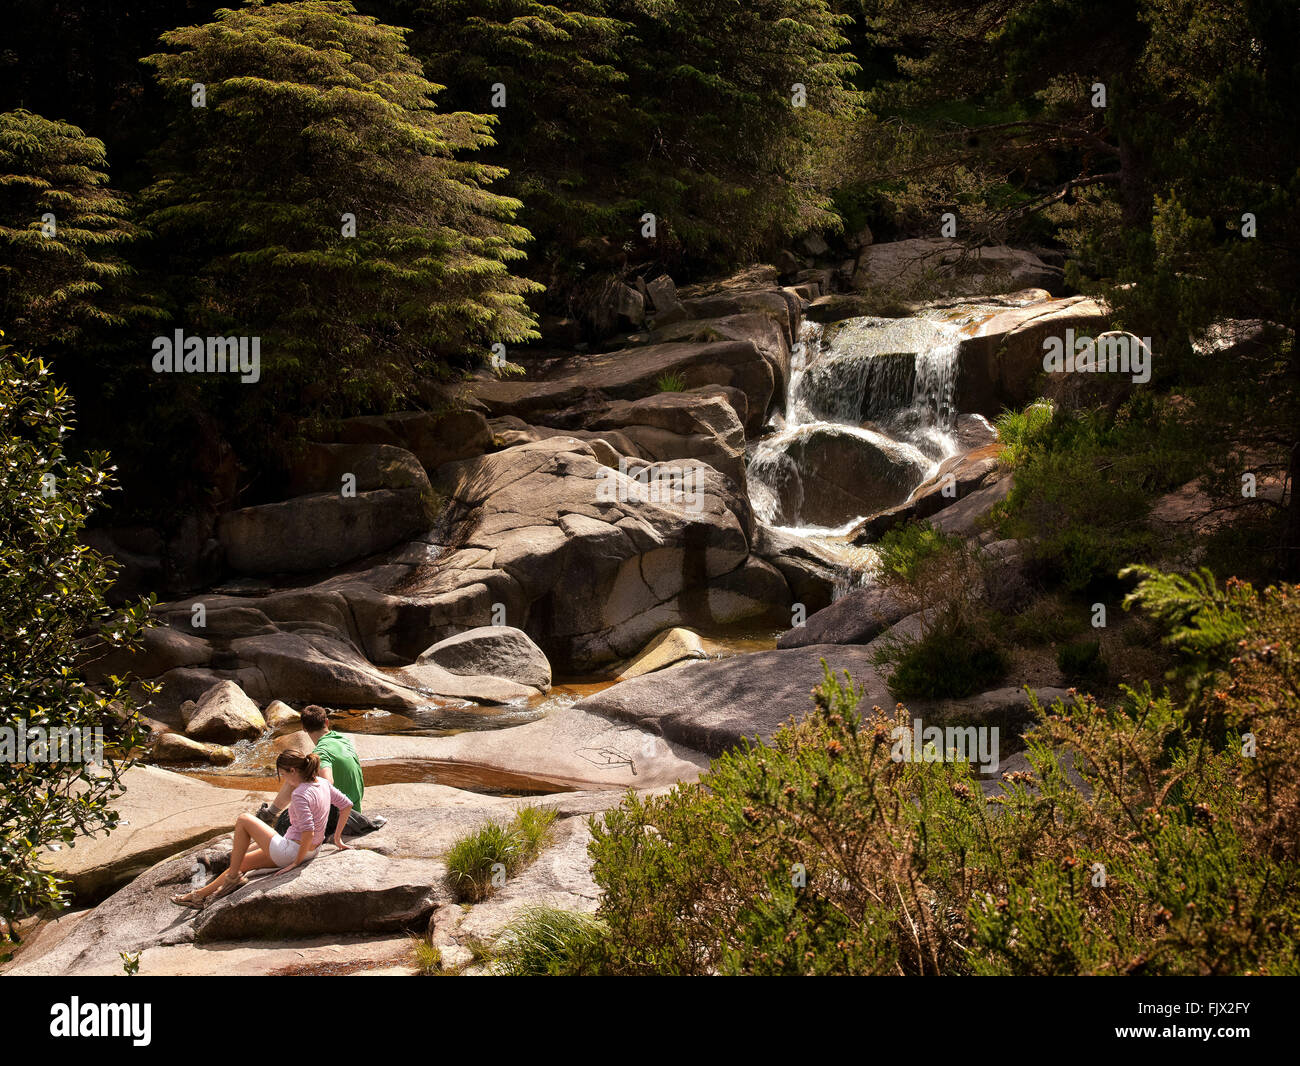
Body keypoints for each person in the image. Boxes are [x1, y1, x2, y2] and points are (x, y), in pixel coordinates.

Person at [171, 750, 351, 910]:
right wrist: (337, 839)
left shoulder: (300, 794)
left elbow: (308, 831)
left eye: (282, 774)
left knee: (244, 820)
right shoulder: (322, 783)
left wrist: (295, 862)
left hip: (293, 852)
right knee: (242, 858)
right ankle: (210, 888)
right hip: (312, 850)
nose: (284, 779)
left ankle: (209, 890)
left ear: (293, 771)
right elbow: (346, 805)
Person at [258, 705, 385, 836]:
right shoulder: (342, 740)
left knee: (294, 781)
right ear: (326, 722)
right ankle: (270, 814)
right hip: (355, 810)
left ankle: (270, 814)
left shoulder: (321, 753)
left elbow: (327, 782)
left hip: (342, 818)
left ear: (304, 729)